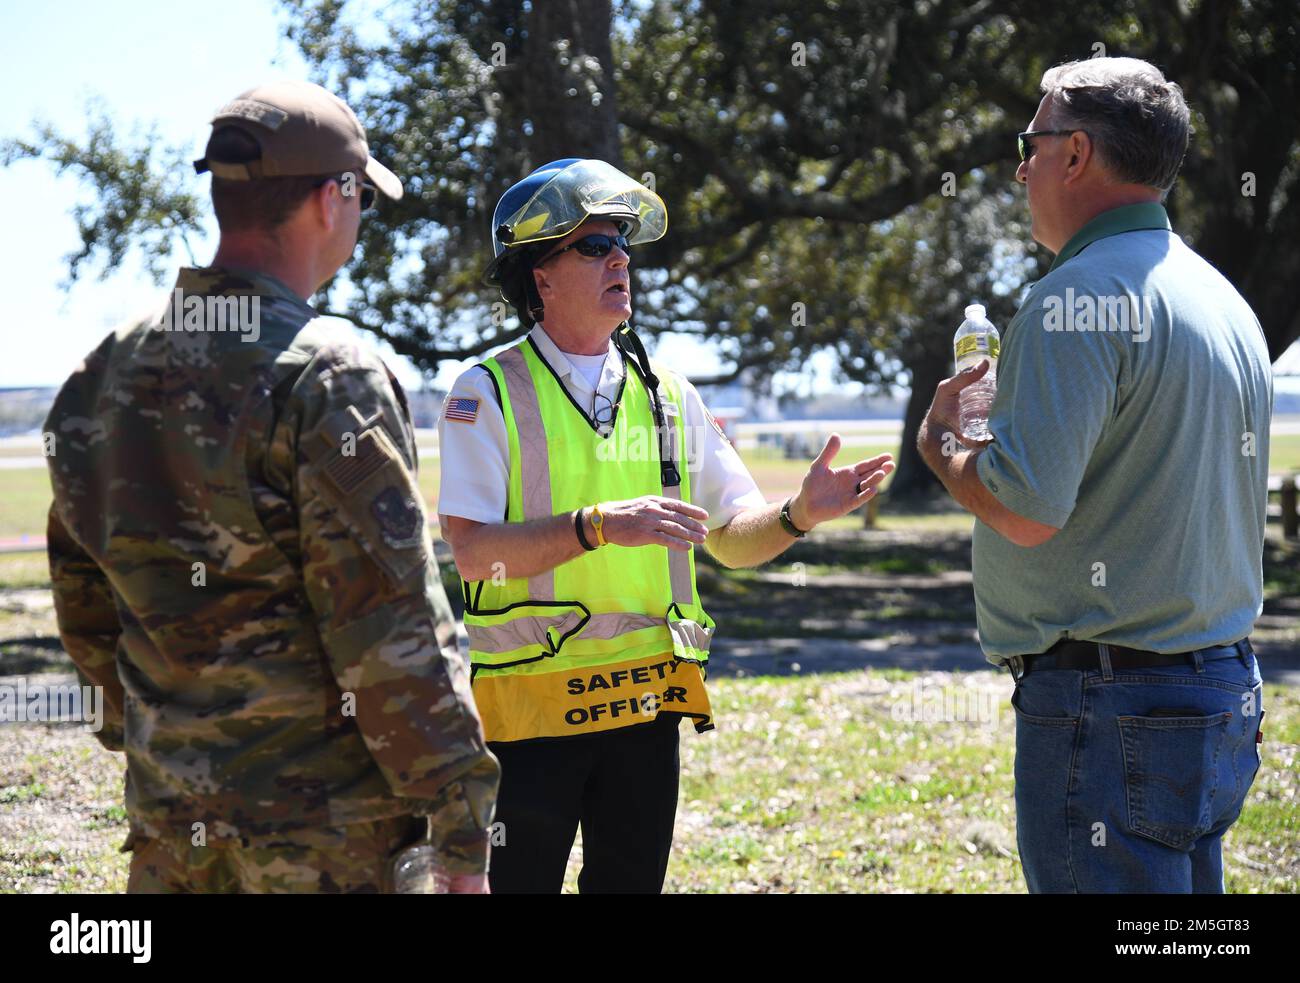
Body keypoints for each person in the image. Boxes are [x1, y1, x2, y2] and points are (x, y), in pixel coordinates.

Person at [44, 81, 499, 893]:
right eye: (361, 196)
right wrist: (462, 828)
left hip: (172, 824)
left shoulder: (103, 369)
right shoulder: (331, 373)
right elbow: (390, 628)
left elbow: (83, 598)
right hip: (324, 840)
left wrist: (154, 732)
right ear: (333, 199)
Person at [437, 158, 894, 893]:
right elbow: (473, 554)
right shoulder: (484, 393)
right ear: (539, 276)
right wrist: (597, 525)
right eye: (593, 245)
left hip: (646, 706)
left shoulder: (670, 396)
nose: (619, 258)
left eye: (621, 242)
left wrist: (797, 514)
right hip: (527, 717)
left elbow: (733, 537)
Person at [917, 58, 1272, 893]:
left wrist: (942, 447)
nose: (1019, 166)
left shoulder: (1071, 297)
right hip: (1218, 686)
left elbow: (1026, 508)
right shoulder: (1220, 298)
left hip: (1109, 702)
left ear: (1075, 154)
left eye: (1029, 143)